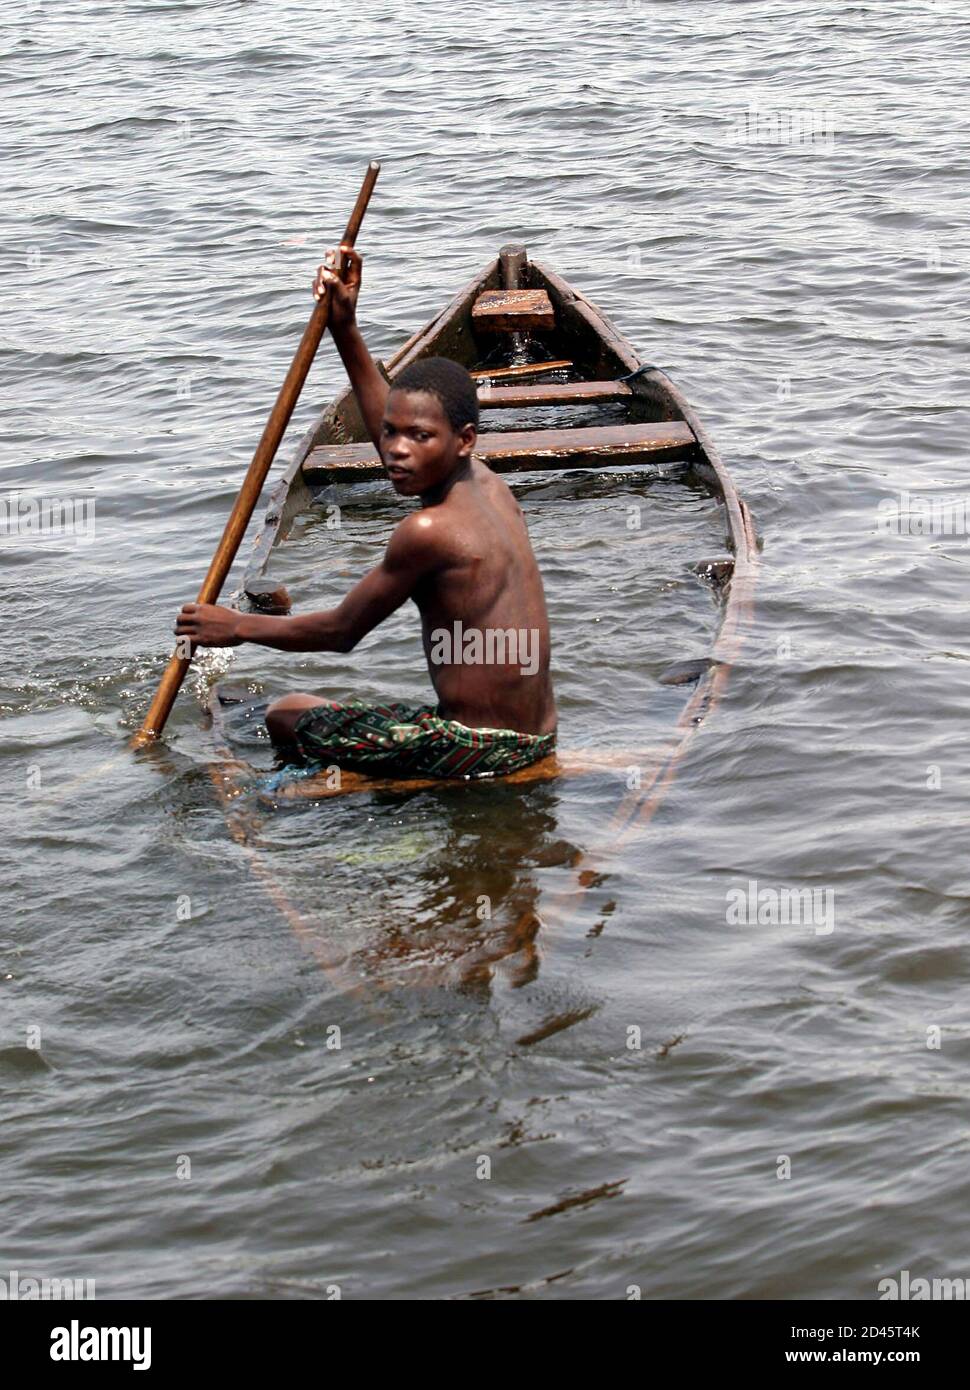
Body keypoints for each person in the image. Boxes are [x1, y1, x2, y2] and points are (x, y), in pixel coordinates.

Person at [175, 247, 557, 779]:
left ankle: (293, 794)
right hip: (538, 733)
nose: (396, 451)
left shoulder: (428, 531)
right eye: (390, 434)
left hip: (482, 748)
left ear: (463, 439)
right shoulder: (489, 486)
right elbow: (399, 424)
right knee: (309, 710)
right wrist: (345, 327)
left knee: (286, 714)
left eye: (418, 437)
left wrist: (237, 625)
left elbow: (341, 632)